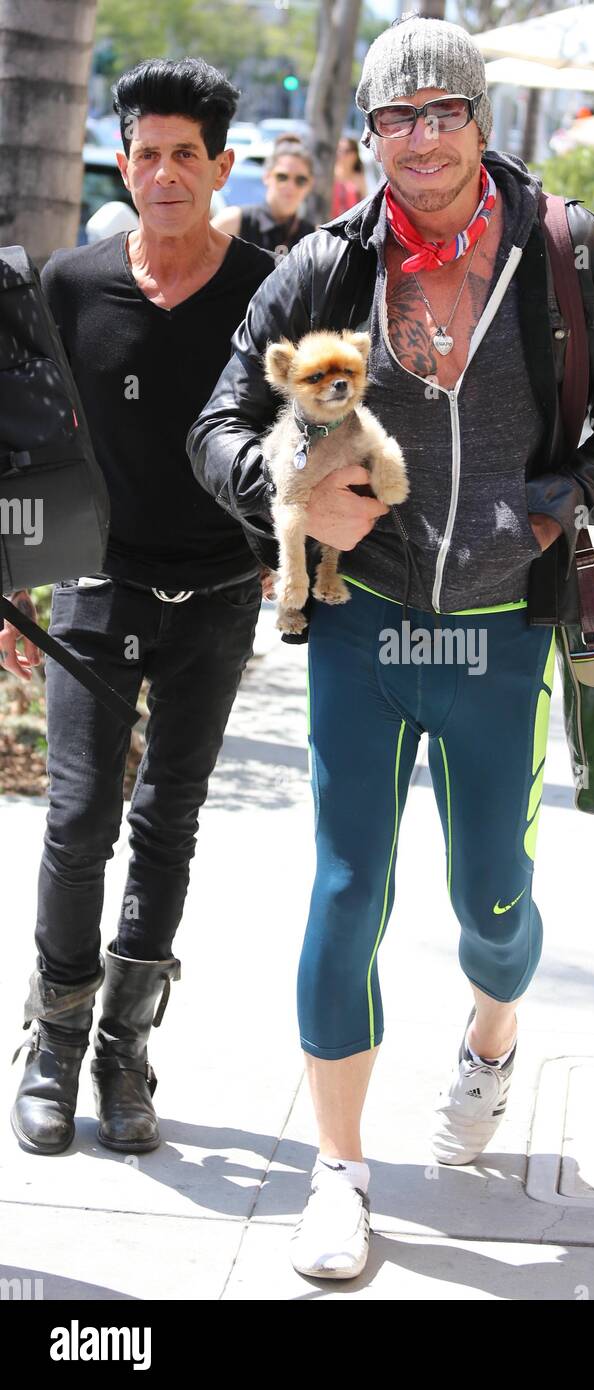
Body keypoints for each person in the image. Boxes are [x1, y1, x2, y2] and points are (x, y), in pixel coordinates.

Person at [187, 14, 594, 1280]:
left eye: (442, 113)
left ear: (480, 121)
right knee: (345, 892)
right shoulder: (320, 269)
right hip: (362, 626)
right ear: (367, 135)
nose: (420, 139)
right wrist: (284, 487)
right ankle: (337, 1174)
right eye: (394, 118)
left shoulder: (568, 252)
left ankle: (492, 1034)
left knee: (490, 911)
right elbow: (220, 424)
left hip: (501, 638)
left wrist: (547, 507)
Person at [3, 57, 276, 1158]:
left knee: (169, 823)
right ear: (124, 161)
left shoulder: (265, 285)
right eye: (146, 153)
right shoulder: (69, 286)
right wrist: (13, 577)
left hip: (215, 598)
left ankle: (124, 1046)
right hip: (98, 587)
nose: (164, 172)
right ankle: (52, 1042)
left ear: (218, 166)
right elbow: (24, 439)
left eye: (186, 155)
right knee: (77, 821)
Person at [212, 137, 316, 256]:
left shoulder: (314, 238)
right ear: (267, 176)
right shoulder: (234, 221)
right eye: (282, 177)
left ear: (310, 184)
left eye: (300, 180)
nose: (290, 186)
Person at [330, 135, 367, 218]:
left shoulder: (359, 177)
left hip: (351, 223)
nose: (341, 154)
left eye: (346, 151)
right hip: (329, 223)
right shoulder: (331, 176)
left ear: (355, 154)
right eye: (339, 149)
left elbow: (364, 203)